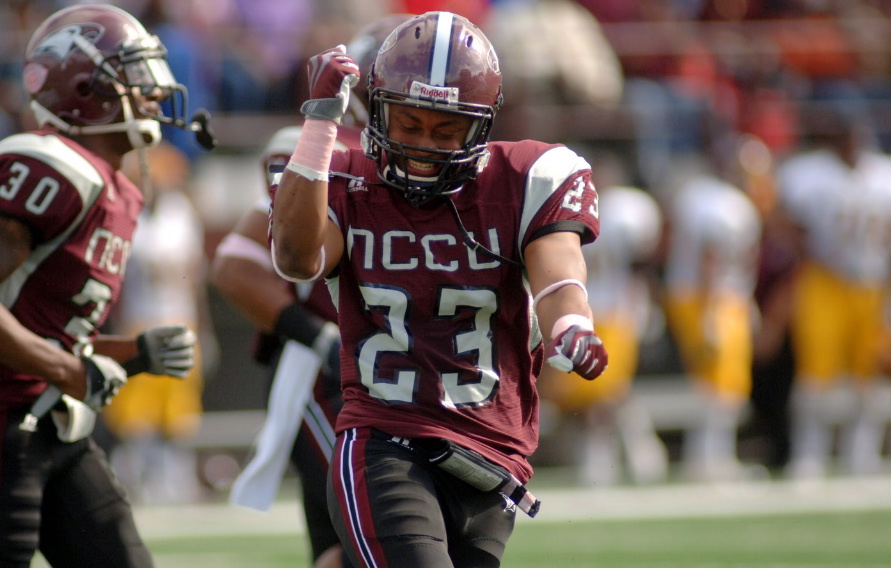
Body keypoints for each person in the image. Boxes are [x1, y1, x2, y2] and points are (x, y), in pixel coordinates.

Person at [270, 12, 607, 567]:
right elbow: (296, 258)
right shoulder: (342, 174)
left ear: (481, 127)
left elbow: (559, 278)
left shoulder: (526, 178)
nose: (425, 144)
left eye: (446, 129)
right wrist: (319, 123)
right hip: (385, 436)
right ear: (377, 111)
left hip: (491, 451)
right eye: (408, 123)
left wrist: (572, 325)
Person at [0, 4, 212, 566]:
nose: (155, 92)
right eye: (135, 74)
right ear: (86, 87)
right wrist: (69, 371)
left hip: (49, 425)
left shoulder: (117, 188)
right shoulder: (48, 166)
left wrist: (131, 354)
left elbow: (45, 327)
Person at [211, 15, 411, 568]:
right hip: (339, 377)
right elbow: (235, 264)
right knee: (362, 540)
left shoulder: (458, 165)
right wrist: (318, 338)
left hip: (412, 375)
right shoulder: (333, 153)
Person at [777, 94, 891, 479]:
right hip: (823, 281)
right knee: (815, 375)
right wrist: (813, 252)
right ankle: (810, 455)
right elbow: (787, 224)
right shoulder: (809, 174)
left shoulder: (883, 174)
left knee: (871, 375)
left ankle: (862, 455)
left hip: (874, 284)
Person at [101, 141, 213, 505]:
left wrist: (205, 330)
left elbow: (194, 280)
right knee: (136, 418)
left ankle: (174, 481)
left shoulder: (182, 214)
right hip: (139, 323)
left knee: (178, 416)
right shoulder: (127, 216)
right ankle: (134, 480)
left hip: (180, 322)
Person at [538, 179, 668, 486]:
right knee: (593, 395)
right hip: (592, 311)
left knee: (604, 394)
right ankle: (629, 456)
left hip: (601, 311)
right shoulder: (615, 211)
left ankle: (629, 457)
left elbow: (640, 261)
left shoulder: (608, 212)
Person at [662, 127, 763, 483]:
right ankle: (711, 460)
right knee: (720, 385)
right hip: (707, 297)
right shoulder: (724, 204)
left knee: (723, 385)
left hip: (715, 296)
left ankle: (710, 458)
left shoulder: (704, 196)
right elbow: (710, 258)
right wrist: (712, 309)